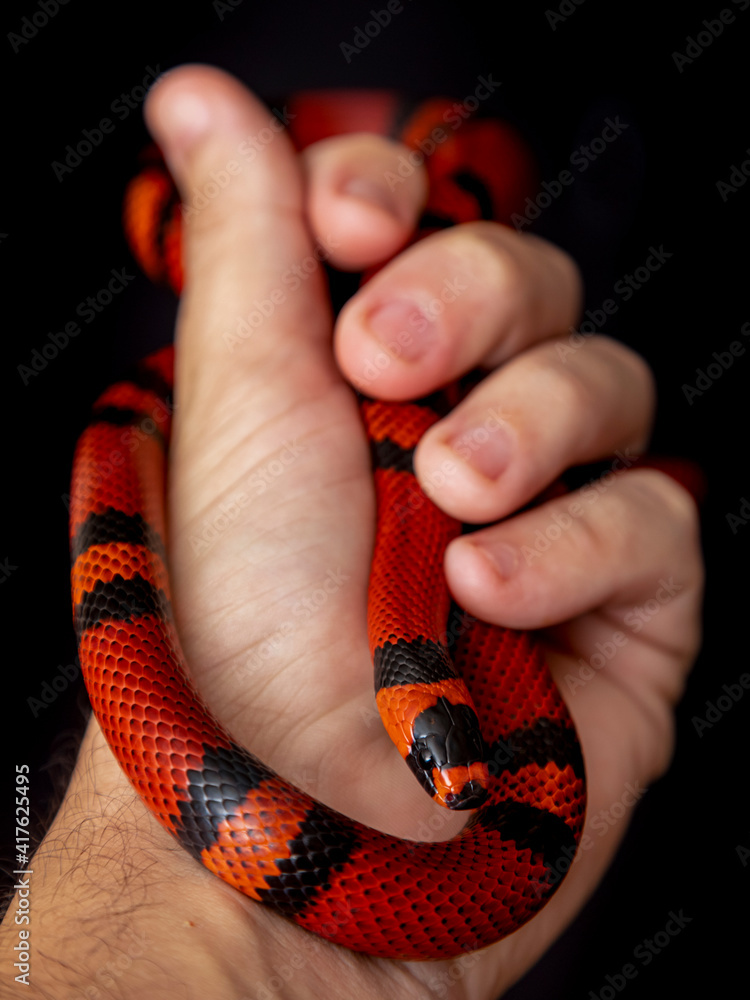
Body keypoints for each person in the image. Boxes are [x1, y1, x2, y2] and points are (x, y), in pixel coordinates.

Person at [0, 65, 703, 999]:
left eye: (435, 765)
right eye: (436, 763)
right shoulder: (431, 619)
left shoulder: (451, 650)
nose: (453, 786)